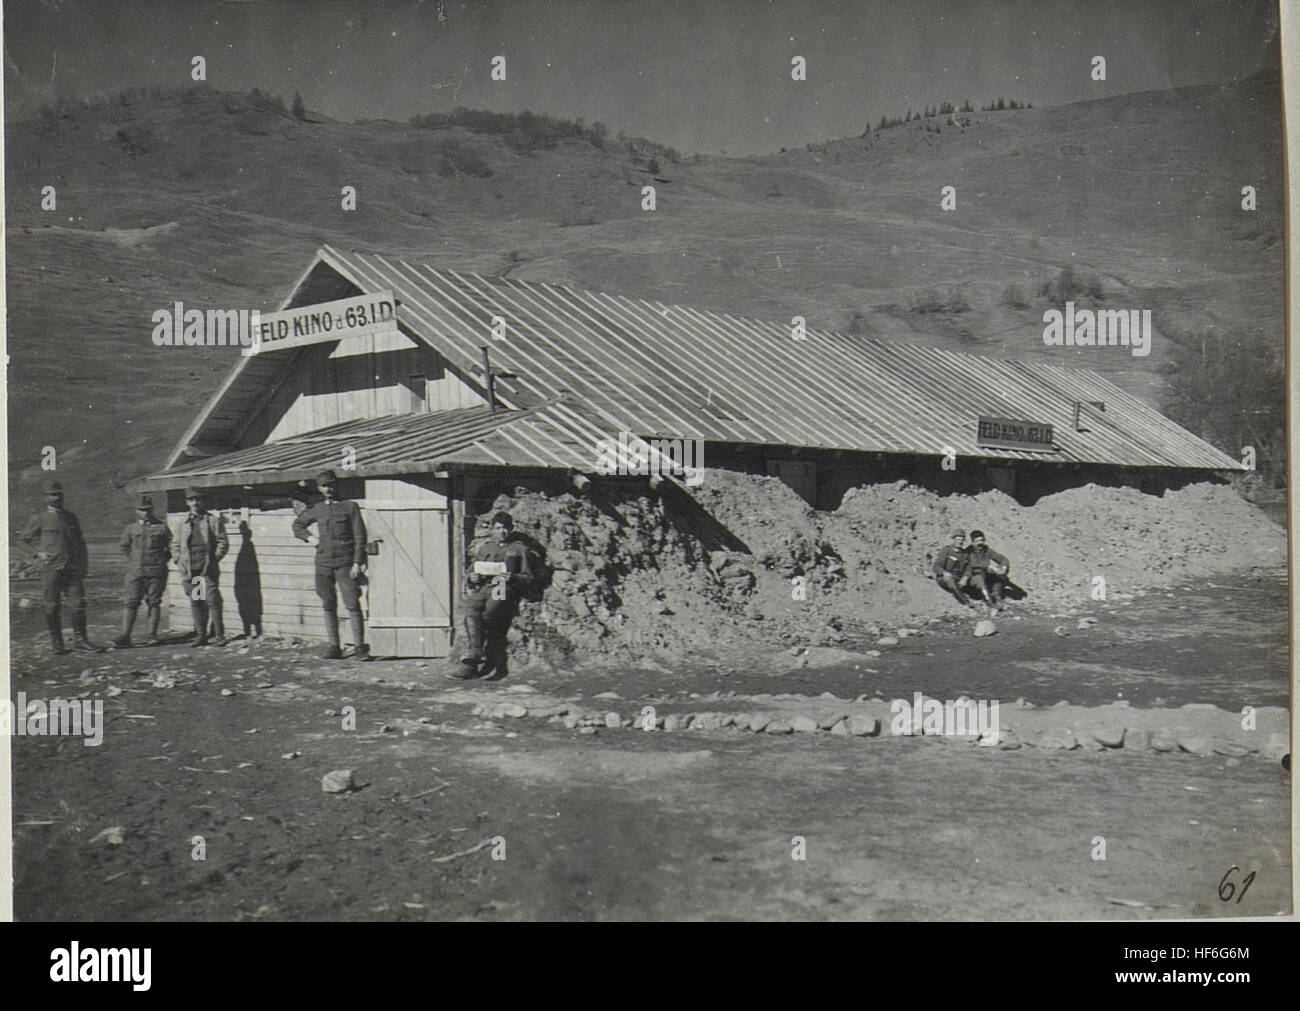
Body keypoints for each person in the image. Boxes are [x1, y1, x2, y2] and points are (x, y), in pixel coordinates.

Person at [292, 470, 370, 661]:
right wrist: (311, 539)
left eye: (332, 485)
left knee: (352, 604)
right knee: (328, 604)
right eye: (325, 486)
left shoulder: (350, 507)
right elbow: (297, 526)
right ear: (319, 488)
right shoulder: (317, 509)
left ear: (338, 486)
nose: (329, 489)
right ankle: (334, 647)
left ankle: (360, 647)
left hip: (345, 564)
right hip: (323, 563)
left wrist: (358, 562)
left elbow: (360, 537)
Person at [19, 479, 98, 654]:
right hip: (51, 568)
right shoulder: (40, 518)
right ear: (46, 498)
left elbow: (80, 543)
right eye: (52, 495)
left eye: (59, 494)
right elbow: (23, 541)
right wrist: (37, 554)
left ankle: (81, 641)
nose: (56, 498)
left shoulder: (71, 517)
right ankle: (57, 644)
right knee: (51, 606)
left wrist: (83, 566)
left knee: (77, 604)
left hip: (72, 569)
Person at [454, 510, 533, 679]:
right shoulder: (486, 548)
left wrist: (514, 577)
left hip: (501, 584)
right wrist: (472, 578)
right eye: (498, 528)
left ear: (511, 528)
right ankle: (475, 654)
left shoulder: (520, 549)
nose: (502, 532)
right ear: (492, 529)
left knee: (489, 613)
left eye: (505, 528)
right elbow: (472, 571)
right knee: (470, 608)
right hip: (483, 586)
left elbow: (528, 578)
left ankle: (475, 659)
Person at [113, 494, 171, 647]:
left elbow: (171, 546)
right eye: (141, 510)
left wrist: (161, 560)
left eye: (147, 509)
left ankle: (152, 634)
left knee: (154, 602)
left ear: (152, 509)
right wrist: (134, 560)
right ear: (136, 511)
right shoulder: (131, 528)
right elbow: (124, 546)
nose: (145, 513)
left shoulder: (162, 527)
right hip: (136, 572)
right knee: (131, 602)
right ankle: (126, 635)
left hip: (156, 571)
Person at [174, 487, 229, 647]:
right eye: (192, 500)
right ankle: (201, 635)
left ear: (202, 502)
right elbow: (175, 544)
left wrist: (215, 558)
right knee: (197, 600)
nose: (195, 503)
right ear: (187, 503)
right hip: (192, 570)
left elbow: (222, 542)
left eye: (198, 499)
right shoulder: (182, 523)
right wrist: (178, 559)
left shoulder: (212, 520)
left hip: (207, 568)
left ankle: (219, 635)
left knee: (212, 600)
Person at [963, 529, 1011, 614]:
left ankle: (997, 596)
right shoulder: (969, 551)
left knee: (1000, 576)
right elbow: (973, 565)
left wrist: (1004, 567)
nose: (980, 543)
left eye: (982, 540)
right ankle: (989, 602)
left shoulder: (986, 549)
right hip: (973, 576)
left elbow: (1002, 559)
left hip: (985, 574)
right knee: (980, 580)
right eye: (977, 541)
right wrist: (988, 566)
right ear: (972, 542)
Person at [931, 528, 971, 605]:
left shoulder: (965, 554)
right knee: (950, 580)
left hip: (958, 579)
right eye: (958, 539)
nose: (960, 542)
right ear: (954, 539)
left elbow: (968, 568)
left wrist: (965, 577)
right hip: (944, 579)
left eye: (962, 540)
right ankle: (965, 602)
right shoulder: (947, 550)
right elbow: (936, 566)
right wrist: (944, 572)